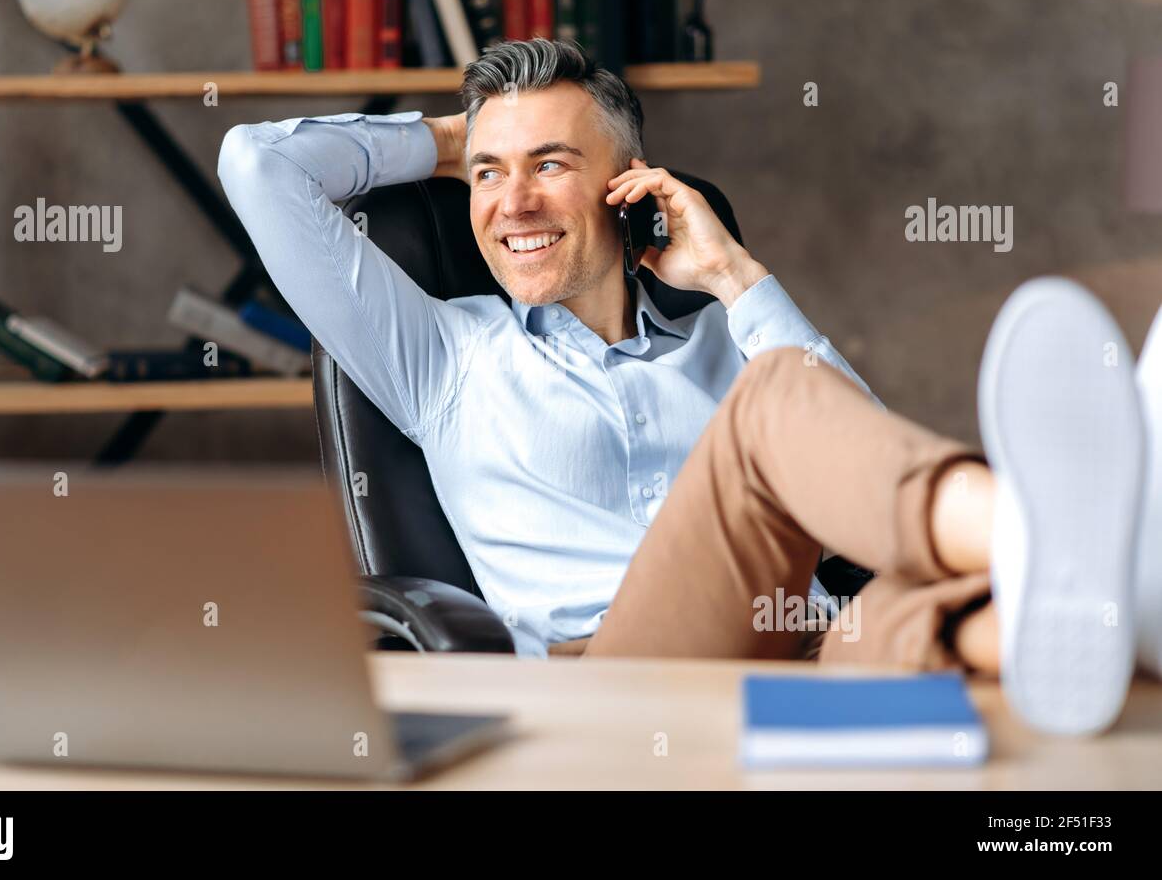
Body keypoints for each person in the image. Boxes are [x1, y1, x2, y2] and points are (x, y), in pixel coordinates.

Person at [218, 38, 1160, 737]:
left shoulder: (724, 332)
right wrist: (453, 135)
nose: (512, 204)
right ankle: (1047, 528)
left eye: (550, 163)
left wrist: (736, 278)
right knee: (771, 404)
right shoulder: (439, 354)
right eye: (488, 176)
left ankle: (1119, 604)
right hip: (619, 694)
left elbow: (869, 479)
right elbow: (258, 165)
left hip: (802, 658)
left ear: (627, 187)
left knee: (934, 614)